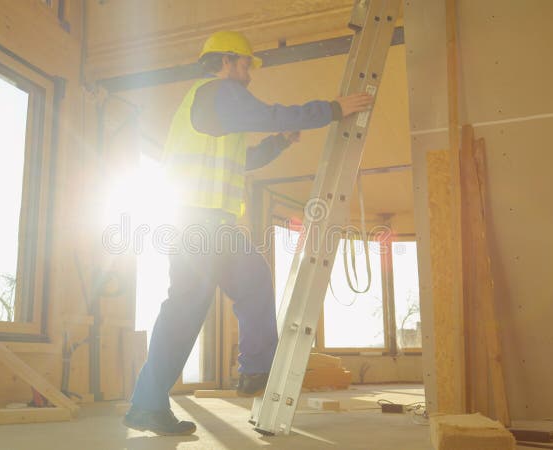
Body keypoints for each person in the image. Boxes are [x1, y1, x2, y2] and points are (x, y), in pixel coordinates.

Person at [123, 30, 373, 436]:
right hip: (193, 222)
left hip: (215, 224)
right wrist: (332, 109)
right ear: (224, 62)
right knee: (185, 311)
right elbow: (270, 112)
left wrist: (279, 144)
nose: (249, 74)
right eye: (245, 64)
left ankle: (255, 370)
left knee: (255, 280)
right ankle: (147, 404)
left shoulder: (219, 110)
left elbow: (243, 160)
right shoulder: (218, 93)